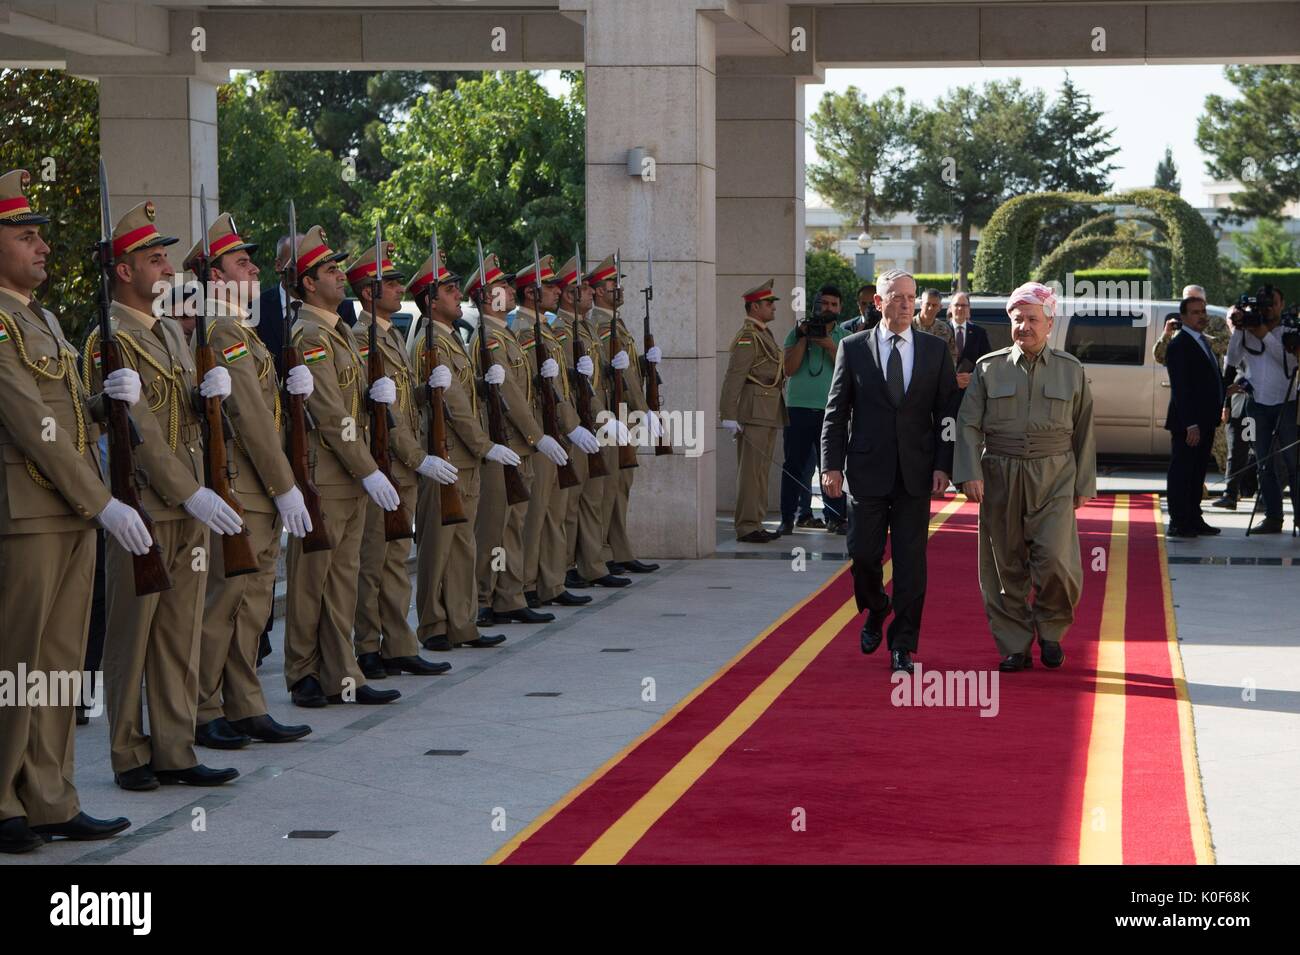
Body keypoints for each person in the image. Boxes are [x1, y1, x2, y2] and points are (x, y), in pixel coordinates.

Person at [83, 200, 244, 789]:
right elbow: (142, 433)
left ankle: (175, 747)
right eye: (154, 259)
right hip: (147, 504)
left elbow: (183, 419)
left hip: (190, 500)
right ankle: (128, 752)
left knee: (179, 633)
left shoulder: (173, 336)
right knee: (132, 633)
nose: (166, 268)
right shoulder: (112, 338)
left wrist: (212, 402)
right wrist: (190, 492)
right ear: (123, 271)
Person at [0, 169, 131, 851]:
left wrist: (106, 403)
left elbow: (69, 419)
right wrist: (101, 499)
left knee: (56, 666)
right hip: (26, 510)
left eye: (40, 236)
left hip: (71, 512)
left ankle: (50, 796)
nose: (42, 246)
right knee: (15, 663)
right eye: (26, 237)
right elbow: (27, 419)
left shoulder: (43, 318)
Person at [186, 213, 314, 749]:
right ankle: (202, 707)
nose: (253, 268)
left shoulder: (241, 329)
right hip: (243, 484)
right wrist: (287, 485)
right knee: (227, 603)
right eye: (241, 261)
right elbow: (252, 419)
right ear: (214, 278)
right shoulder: (220, 330)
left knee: (253, 604)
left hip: (257, 488)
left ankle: (244, 704)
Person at [282, 225, 402, 708]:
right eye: (330, 270)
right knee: (312, 579)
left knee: (342, 578)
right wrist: (369, 467)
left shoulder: (339, 333)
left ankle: (341, 673)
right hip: (327, 476)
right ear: (308, 282)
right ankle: (302, 671)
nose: (340, 277)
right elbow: (330, 412)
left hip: (349, 476)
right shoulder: (310, 334)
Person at [954, 281, 1096, 673]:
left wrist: (1084, 483)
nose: (1024, 327)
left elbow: (1084, 428)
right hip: (1000, 473)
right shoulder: (988, 367)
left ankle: (1051, 630)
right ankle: (1014, 645)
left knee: (1055, 562)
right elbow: (967, 424)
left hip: (1054, 476)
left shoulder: (1071, 369)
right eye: (1018, 319)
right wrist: (969, 472)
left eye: (1033, 319)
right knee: (1005, 566)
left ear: (1049, 323)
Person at [821, 269, 955, 674]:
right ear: (877, 302)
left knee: (912, 563)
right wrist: (831, 466)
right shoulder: (853, 347)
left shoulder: (934, 350)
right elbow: (836, 411)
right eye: (895, 296)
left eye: (910, 297)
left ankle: (903, 644)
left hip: (916, 473)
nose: (904, 303)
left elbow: (947, 412)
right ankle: (877, 607)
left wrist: (944, 465)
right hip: (866, 470)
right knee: (862, 553)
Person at [346, 240, 453, 679]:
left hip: (401, 470)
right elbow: (381, 418)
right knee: (373, 562)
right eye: (389, 283)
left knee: (394, 561)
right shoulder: (361, 339)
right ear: (368, 293)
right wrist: (417, 458)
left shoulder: (390, 335)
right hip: (385, 468)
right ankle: (368, 645)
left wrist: (428, 393)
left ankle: (398, 643)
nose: (397, 289)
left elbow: (402, 406)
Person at [409, 249, 509, 651]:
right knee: (437, 547)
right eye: (449, 290)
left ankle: (461, 621)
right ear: (431, 301)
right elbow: (450, 406)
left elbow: (465, 398)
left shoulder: (453, 341)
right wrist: (486, 446)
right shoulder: (428, 344)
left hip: (464, 459)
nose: (458, 296)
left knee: (463, 544)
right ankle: (434, 625)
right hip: (446, 457)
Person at [470, 252, 560, 625]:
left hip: (519, 445)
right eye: (499, 287)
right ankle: (483, 597)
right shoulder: (489, 339)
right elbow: (508, 394)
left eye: (507, 285)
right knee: (494, 528)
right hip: (505, 443)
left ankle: (508, 594)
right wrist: (538, 437)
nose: (507, 290)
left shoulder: (504, 334)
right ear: (484, 298)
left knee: (512, 526)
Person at [515, 255, 596, 610]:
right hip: (539, 434)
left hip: (557, 431)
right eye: (549, 287)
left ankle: (551, 580)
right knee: (537, 515)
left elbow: (559, 388)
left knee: (554, 512)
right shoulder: (522, 330)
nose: (556, 291)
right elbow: (525, 391)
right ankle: (528, 583)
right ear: (531, 294)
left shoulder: (544, 329)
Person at [586, 254, 661, 574]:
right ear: (599, 291)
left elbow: (625, 368)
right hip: (613, 415)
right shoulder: (602, 325)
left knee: (620, 487)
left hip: (624, 415)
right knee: (609, 490)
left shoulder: (616, 322)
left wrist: (645, 363)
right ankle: (604, 553)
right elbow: (614, 374)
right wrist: (644, 409)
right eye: (612, 284)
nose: (619, 289)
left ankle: (618, 550)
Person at [565, 256, 633, 589]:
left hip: (601, 417)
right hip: (581, 423)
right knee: (581, 499)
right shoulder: (569, 330)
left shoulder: (590, 327)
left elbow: (599, 378)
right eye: (588, 289)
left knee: (600, 493)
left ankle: (596, 559)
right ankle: (577, 566)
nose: (592, 293)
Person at [1224, 286, 1298, 534]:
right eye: (1262, 304)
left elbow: (1288, 364)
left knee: (1292, 463)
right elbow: (1232, 359)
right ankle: (1273, 518)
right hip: (1257, 404)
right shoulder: (1247, 331)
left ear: (1281, 304)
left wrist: (1264, 333)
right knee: (1263, 463)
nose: (1267, 308)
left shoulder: (1289, 331)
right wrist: (1239, 330)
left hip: (1286, 403)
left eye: (1272, 303)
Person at [721, 279, 789, 543]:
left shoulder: (763, 334)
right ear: (756, 306)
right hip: (754, 410)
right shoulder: (748, 337)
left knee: (760, 471)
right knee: (750, 471)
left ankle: (755, 521)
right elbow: (734, 376)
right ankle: (747, 525)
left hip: (767, 410)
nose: (773, 307)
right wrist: (728, 414)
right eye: (769, 303)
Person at [779, 284, 850, 535]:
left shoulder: (844, 336)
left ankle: (836, 517)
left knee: (831, 466)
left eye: (833, 304)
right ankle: (788, 517)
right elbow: (789, 369)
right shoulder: (797, 333)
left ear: (840, 308)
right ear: (815, 306)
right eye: (823, 303)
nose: (827, 308)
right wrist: (803, 338)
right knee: (794, 465)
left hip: (830, 411)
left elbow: (846, 369)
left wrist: (829, 345)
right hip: (797, 408)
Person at [1162, 296, 1225, 538]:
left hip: (1206, 419)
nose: (1202, 316)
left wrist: (1224, 389)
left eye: (1203, 311)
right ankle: (1179, 521)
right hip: (1189, 422)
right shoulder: (1180, 344)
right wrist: (1191, 424)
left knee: (1197, 472)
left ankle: (1193, 517)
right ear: (1184, 317)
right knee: (1182, 471)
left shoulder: (1201, 341)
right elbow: (1181, 388)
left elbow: (1205, 380)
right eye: (1196, 312)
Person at [947, 290, 992, 410]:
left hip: (971, 396)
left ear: (968, 309)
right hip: (946, 396)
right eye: (957, 305)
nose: (960, 308)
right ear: (950, 308)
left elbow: (988, 362)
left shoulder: (979, 333)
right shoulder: (942, 331)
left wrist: (972, 376)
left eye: (964, 305)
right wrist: (952, 379)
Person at [914, 288, 958, 369]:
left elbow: (952, 356)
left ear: (940, 307)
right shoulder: (908, 326)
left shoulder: (945, 329)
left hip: (936, 377)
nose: (930, 308)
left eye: (934, 305)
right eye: (927, 304)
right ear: (921, 304)